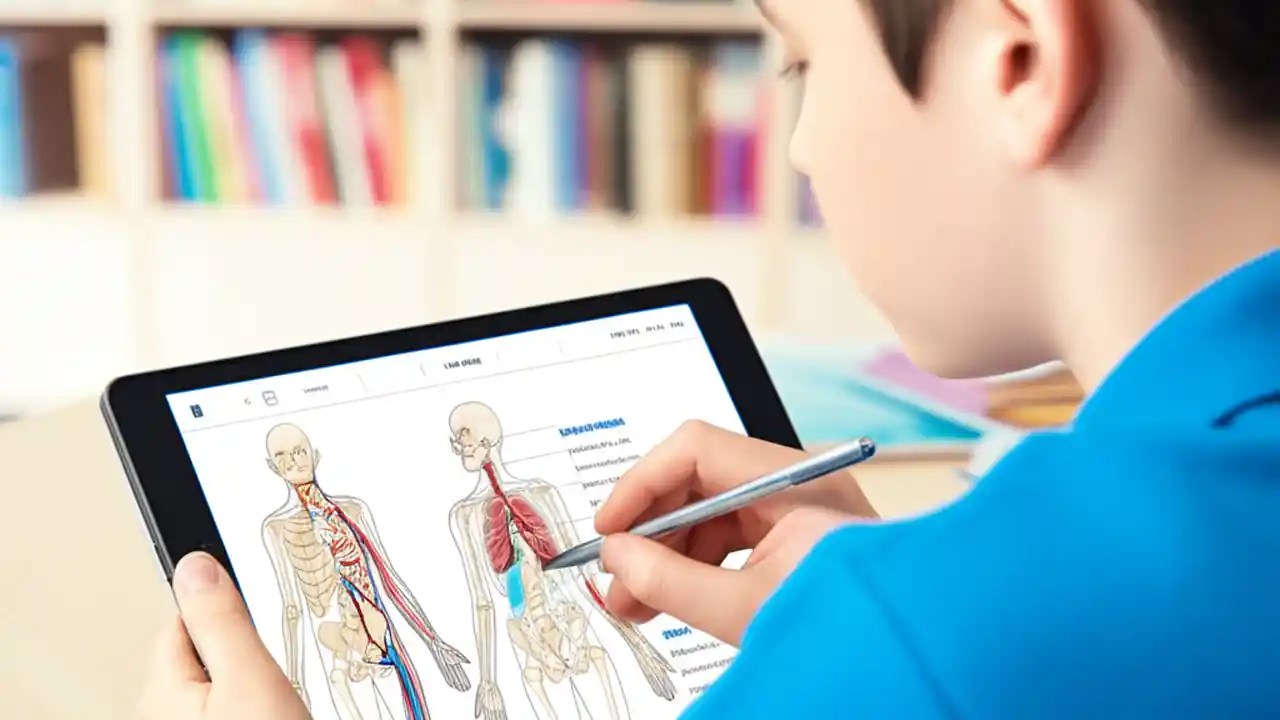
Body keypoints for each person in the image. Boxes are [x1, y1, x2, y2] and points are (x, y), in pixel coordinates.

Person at [140, 0, 1280, 717]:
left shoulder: (925, 637)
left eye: (797, 66)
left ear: (1016, 58)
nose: (795, 146)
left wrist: (896, 638)